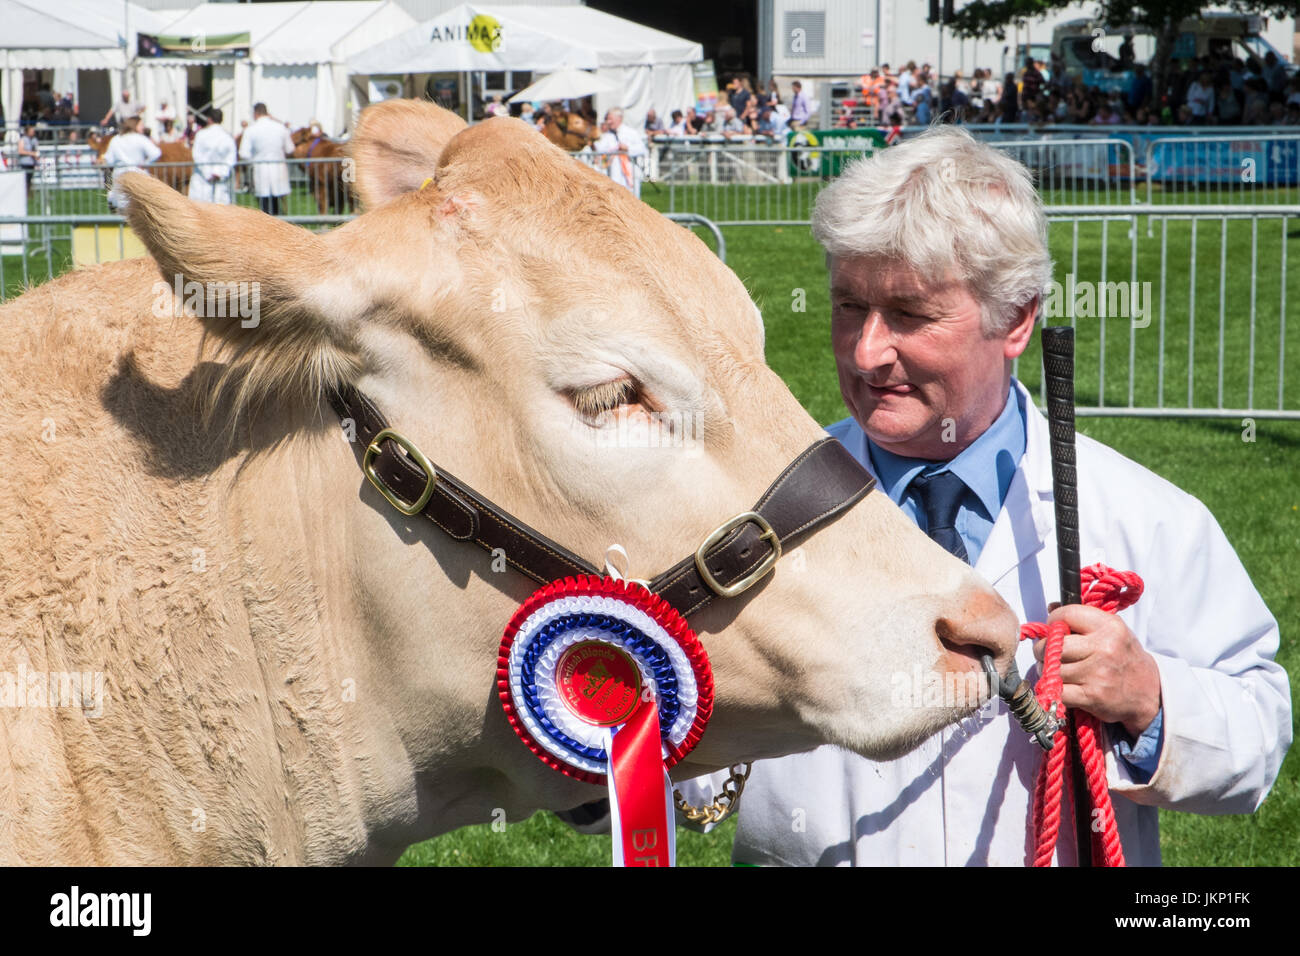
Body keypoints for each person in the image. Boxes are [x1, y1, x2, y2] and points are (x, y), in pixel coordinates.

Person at [679, 125, 1291, 866]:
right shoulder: (745, 504)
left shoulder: (1141, 517)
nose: (867, 351)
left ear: (1017, 319)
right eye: (849, 306)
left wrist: (1150, 699)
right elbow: (643, 760)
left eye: (909, 313)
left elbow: (1259, 732)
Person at [238, 102, 294, 216]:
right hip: (279, 170)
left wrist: (253, 161)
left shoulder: (251, 130)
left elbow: (243, 153)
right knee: (278, 204)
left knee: (265, 206)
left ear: (256, 114)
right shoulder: (280, 128)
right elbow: (290, 149)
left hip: (261, 171)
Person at [593, 107, 647, 198]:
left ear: (619, 119)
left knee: (633, 199)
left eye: (610, 119)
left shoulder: (631, 133)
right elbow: (599, 150)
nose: (608, 122)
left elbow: (642, 149)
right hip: (613, 174)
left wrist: (628, 148)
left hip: (630, 173)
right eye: (607, 119)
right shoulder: (607, 136)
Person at [189, 109, 237, 205]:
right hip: (220, 179)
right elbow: (231, 158)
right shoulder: (227, 137)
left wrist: (208, 172)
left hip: (202, 179)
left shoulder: (201, 135)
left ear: (209, 119)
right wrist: (220, 172)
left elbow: (197, 155)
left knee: (201, 210)